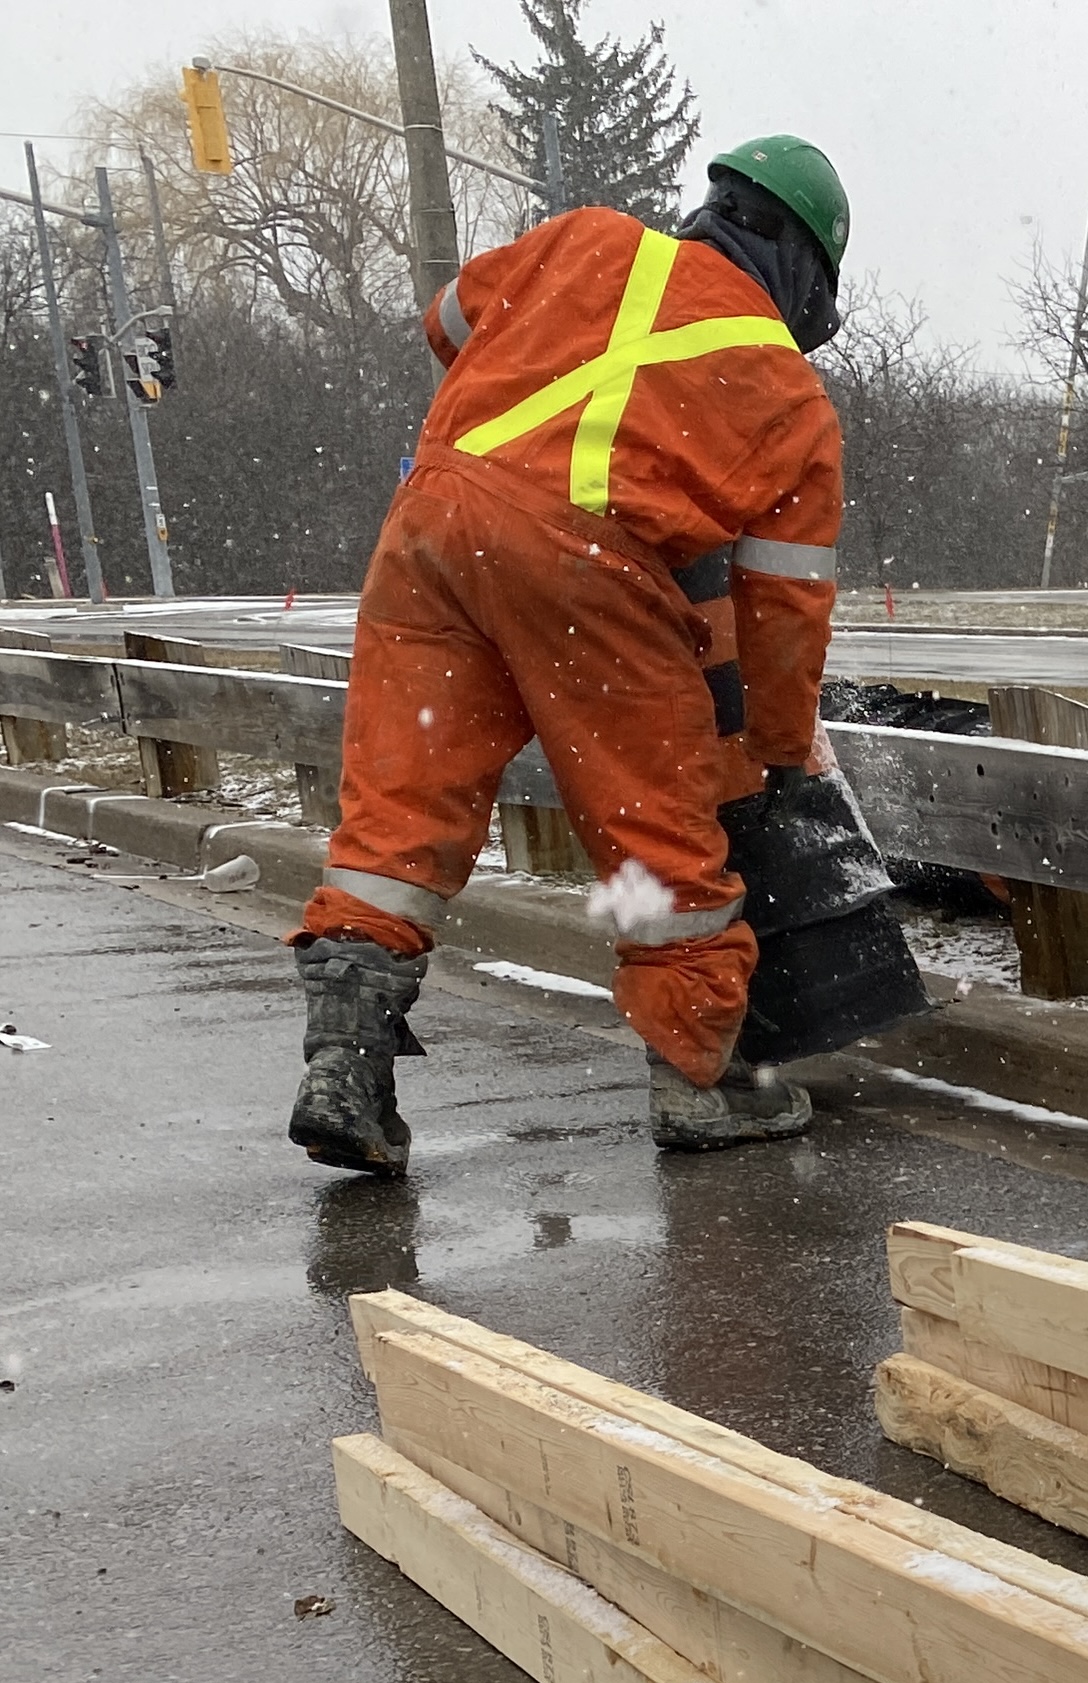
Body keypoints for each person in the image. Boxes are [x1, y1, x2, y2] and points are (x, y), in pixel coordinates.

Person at [286, 136, 853, 1170]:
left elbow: (445, 320)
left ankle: (345, 1063)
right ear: (807, 277)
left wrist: (536, 376)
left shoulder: (586, 241)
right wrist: (774, 746)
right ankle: (697, 1083)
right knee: (651, 830)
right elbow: (783, 612)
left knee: (399, 812)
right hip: (591, 573)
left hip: (431, 528)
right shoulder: (788, 397)